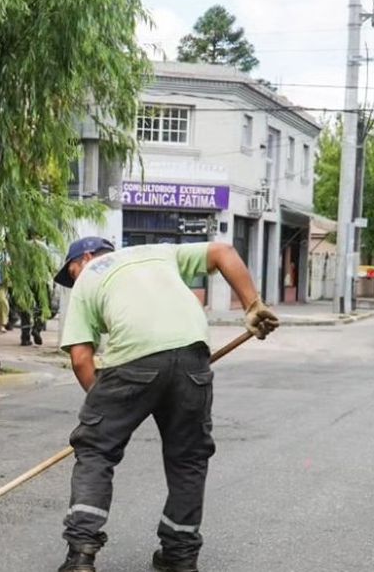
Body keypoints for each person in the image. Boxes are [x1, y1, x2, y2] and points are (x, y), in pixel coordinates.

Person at [53, 237, 278, 572]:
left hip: (131, 357)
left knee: (96, 451)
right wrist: (252, 305)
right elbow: (222, 251)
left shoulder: (89, 274)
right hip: (191, 353)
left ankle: (81, 555)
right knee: (188, 459)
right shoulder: (159, 251)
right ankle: (179, 556)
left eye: (71, 272)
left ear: (85, 258)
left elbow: (82, 358)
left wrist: (107, 414)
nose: (73, 281)